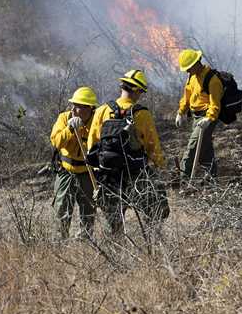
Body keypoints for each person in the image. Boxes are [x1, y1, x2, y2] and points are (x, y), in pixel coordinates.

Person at [86, 68, 168, 236]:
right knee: (156, 211)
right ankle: (153, 247)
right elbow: (152, 145)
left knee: (114, 222)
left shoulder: (102, 110)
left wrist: (97, 170)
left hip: (109, 175)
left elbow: (92, 144)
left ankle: (115, 253)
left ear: (122, 86)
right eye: (141, 92)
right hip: (136, 173)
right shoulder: (142, 114)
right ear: (137, 90)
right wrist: (161, 167)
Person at [50, 86, 98, 239]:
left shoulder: (96, 122)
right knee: (61, 209)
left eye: (81, 107)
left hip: (87, 173)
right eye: (74, 105)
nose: (76, 110)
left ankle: (85, 242)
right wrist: (70, 129)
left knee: (88, 211)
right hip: (66, 172)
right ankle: (60, 242)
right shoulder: (64, 118)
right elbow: (56, 142)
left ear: (90, 108)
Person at [176, 48, 223, 184]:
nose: (187, 71)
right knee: (205, 149)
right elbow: (187, 96)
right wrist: (180, 112)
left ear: (197, 63)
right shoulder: (192, 76)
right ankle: (212, 180)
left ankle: (183, 182)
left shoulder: (212, 80)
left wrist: (209, 118)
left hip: (206, 118)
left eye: (188, 68)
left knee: (192, 148)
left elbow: (215, 104)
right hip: (195, 117)